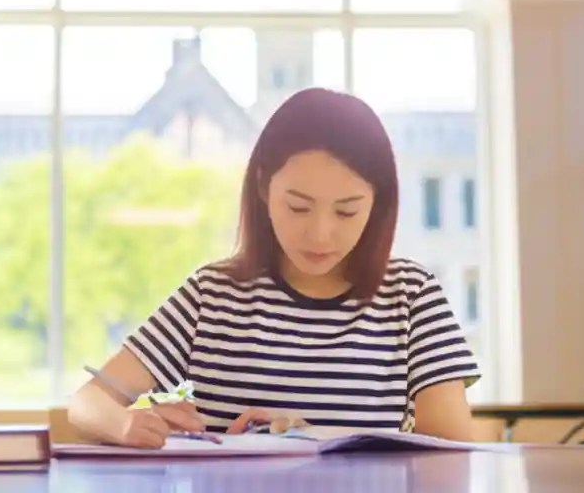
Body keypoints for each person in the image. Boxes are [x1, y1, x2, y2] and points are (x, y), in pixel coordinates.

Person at [67, 87, 480, 448]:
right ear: (264, 188)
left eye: (346, 212)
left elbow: (449, 449)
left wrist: (309, 440)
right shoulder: (213, 294)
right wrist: (130, 425)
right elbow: (88, 403)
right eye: (298, 207)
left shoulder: (411, 295)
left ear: (377, 205)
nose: (320, 235)